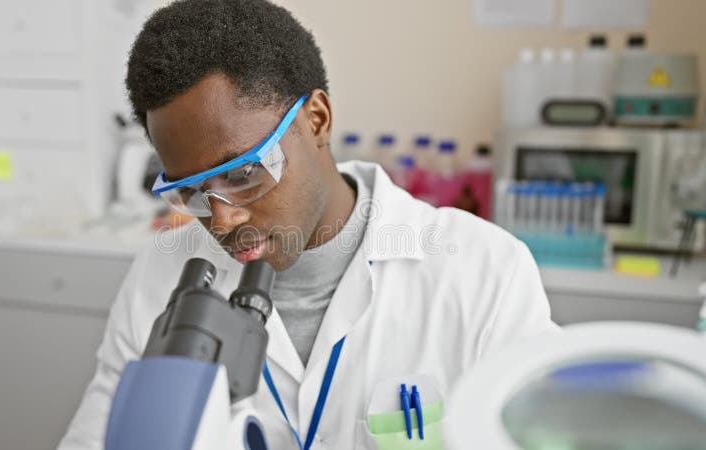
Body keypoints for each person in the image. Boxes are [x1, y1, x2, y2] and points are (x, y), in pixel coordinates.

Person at [58, 1, 558, 448]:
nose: (224, 218)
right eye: (191, 191)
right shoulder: (160, 277)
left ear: (316, 119)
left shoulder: (484, 271)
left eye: (242, 173)